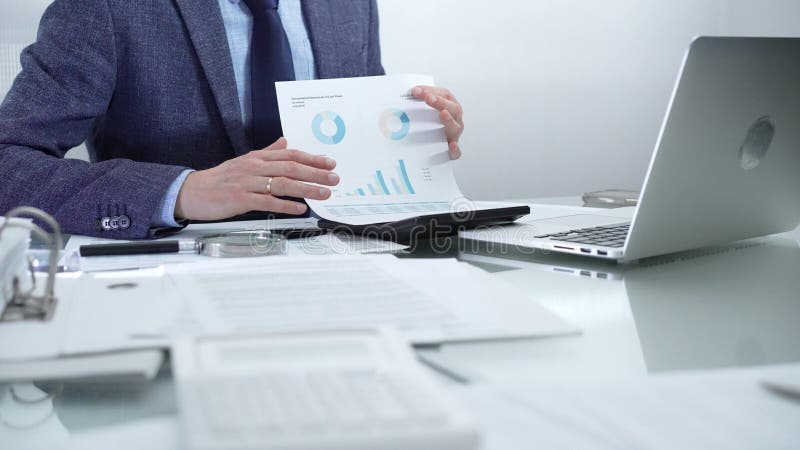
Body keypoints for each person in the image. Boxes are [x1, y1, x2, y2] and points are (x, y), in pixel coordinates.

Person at [0, 0, 464, 238]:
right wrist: (180, 191)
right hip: (176, 283)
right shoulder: (104, 7)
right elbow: (8, 163)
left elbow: (353, 141)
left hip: (349, 270)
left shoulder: (349, 6)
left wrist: (404, 135)